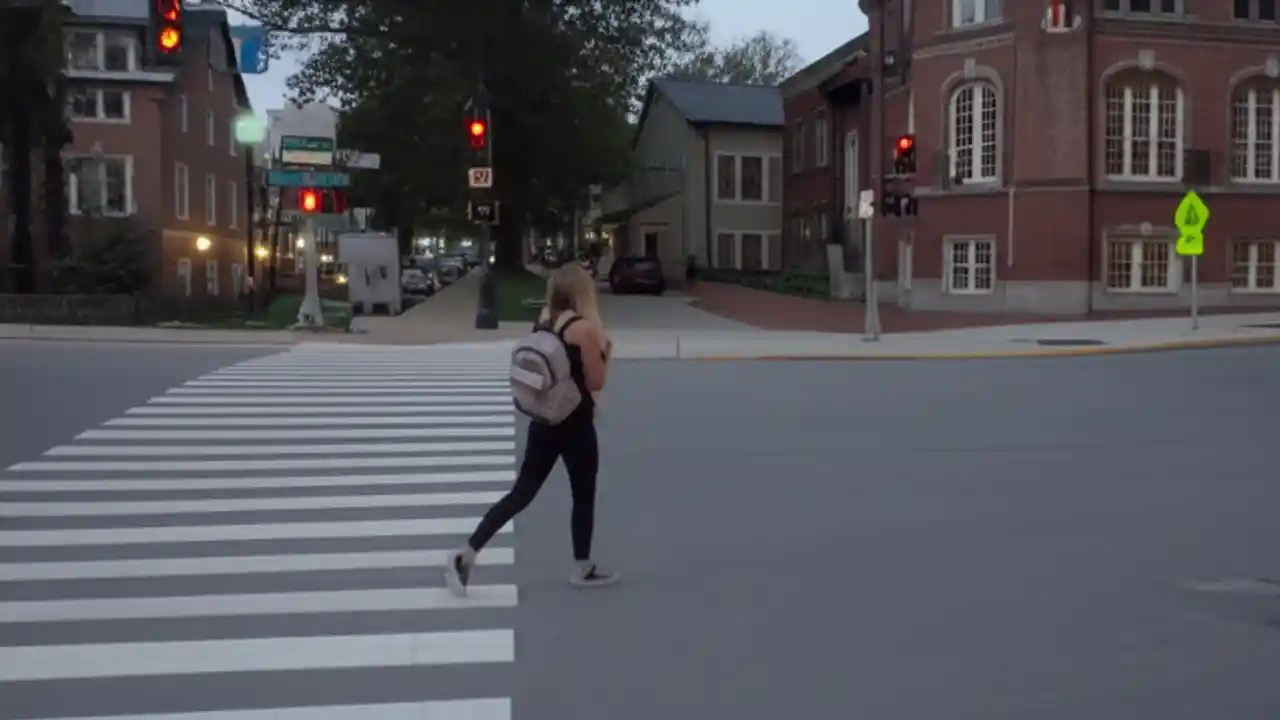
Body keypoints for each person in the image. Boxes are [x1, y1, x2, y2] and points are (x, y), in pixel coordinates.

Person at [446, 264, 619, 595]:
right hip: (576, 423)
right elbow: (596, 381)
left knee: (521, 493)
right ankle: (582, 567)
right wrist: (606, 354)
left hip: (543, 421)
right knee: (582, 495)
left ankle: (467, 553)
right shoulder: (583, 328)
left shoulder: (544, 323)